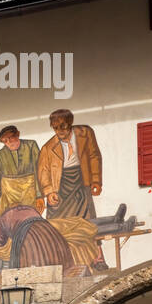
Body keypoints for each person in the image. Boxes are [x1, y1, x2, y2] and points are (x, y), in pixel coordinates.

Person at [37, 108, 106, 271]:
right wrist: (49, 192)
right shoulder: (48, 147)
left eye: (62, 126)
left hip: (81, 182)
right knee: (57, 226)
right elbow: (43, 171)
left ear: (70, 123)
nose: (59, 131)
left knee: (88, 221)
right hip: (60, 187)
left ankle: (97, 258)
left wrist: (96, 180)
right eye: (55, 128)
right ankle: (61, 262)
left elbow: (94, 156)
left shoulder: (85, 133)